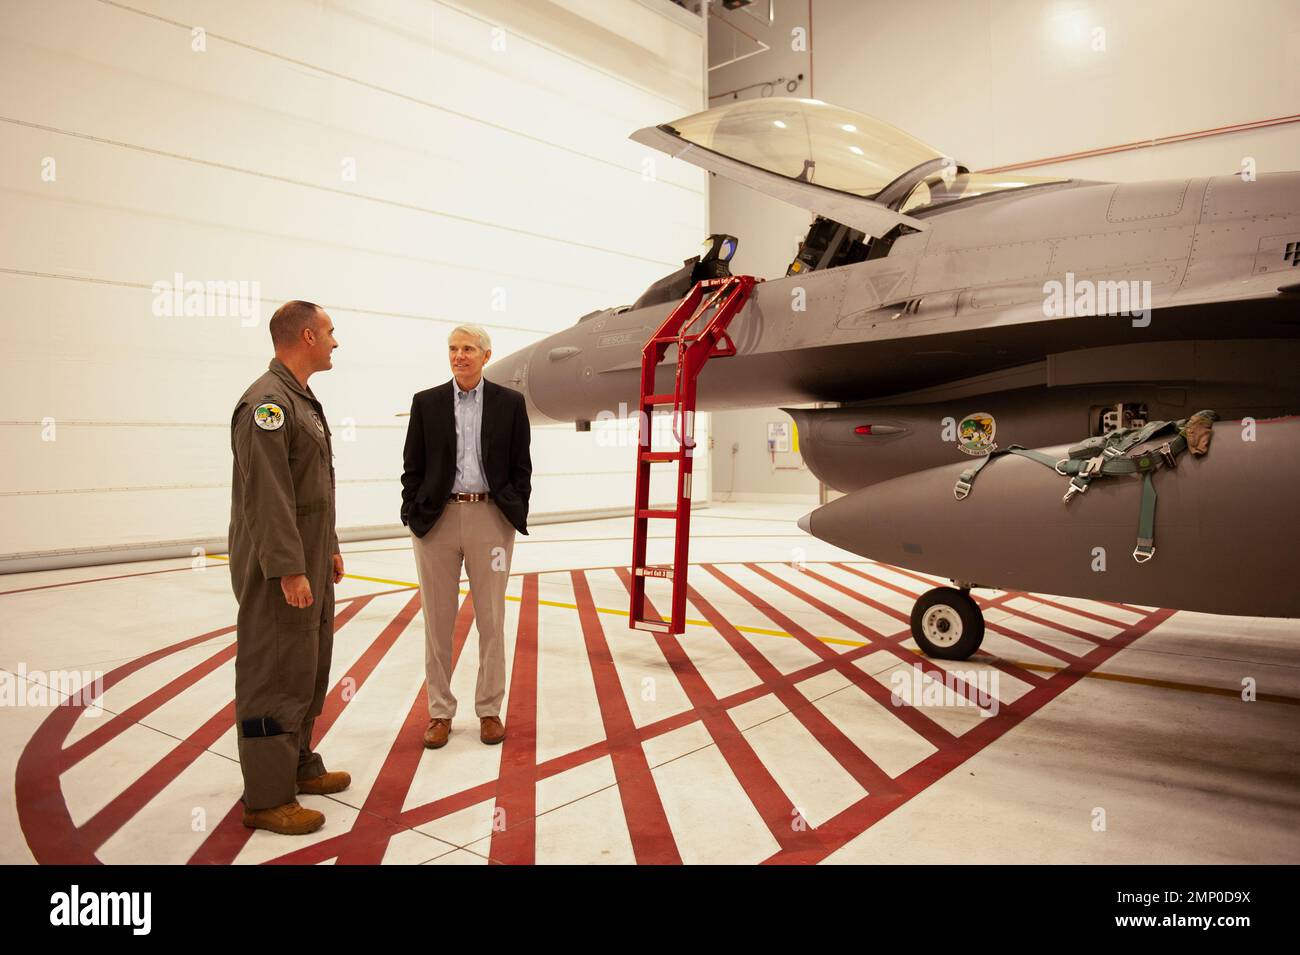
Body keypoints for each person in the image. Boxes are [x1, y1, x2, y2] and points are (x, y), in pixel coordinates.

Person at [228, 300, 350, 835]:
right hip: (281, 568)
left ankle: (296, 764)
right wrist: (288, 570)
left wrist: (329, 547)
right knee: (274, 673)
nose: (335, 341)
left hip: (309, 558)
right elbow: (268, 498)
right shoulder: (267, 404)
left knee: (306, 665)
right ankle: (267, 796)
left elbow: (313, 487)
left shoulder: (298, 399)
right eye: (329, 332)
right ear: (305, 336)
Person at [401, 324, 531, 749]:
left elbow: (520, 467)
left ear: (486, 355)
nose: (459, 355)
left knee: (491, 619)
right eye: (454, 349)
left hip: (490, 520)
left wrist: (510, 509)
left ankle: (489, 710)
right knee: (437, 622)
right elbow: (412, 467)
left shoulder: (510, 404)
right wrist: (413, 509)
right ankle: (440, 713)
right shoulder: (426, 403)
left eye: (468, 349)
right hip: (436, 523)